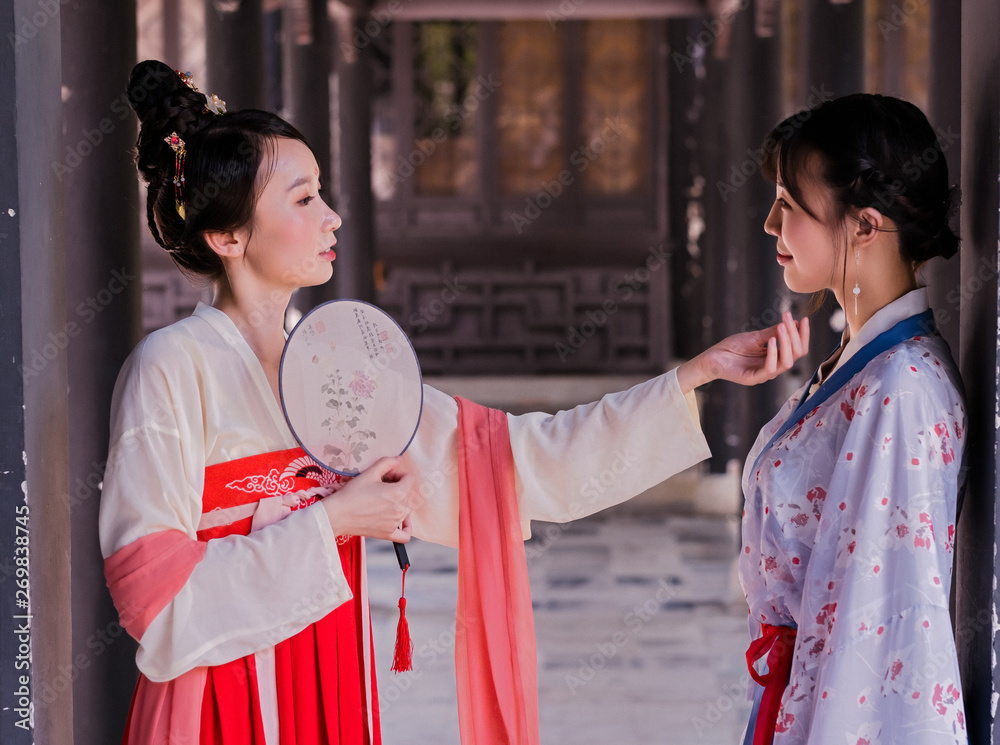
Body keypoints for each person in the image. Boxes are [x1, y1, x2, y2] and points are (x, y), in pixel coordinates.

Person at [100, 60, 808, 745]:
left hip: (332, 682)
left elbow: (515, 462)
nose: (333, 217)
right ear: (227, 236)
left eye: (322, 193)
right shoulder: (170, 368)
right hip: (220, 705)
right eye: (305, 198)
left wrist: (692, 377)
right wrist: (334, 521)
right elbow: (153, 602)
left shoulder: (334, 367)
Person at [739, 93, 967, 745]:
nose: (770, 224)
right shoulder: (865, 363)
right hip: (793, 698)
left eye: (790, 204)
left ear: (866, 225)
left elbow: (882, 639)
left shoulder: (899, 389)